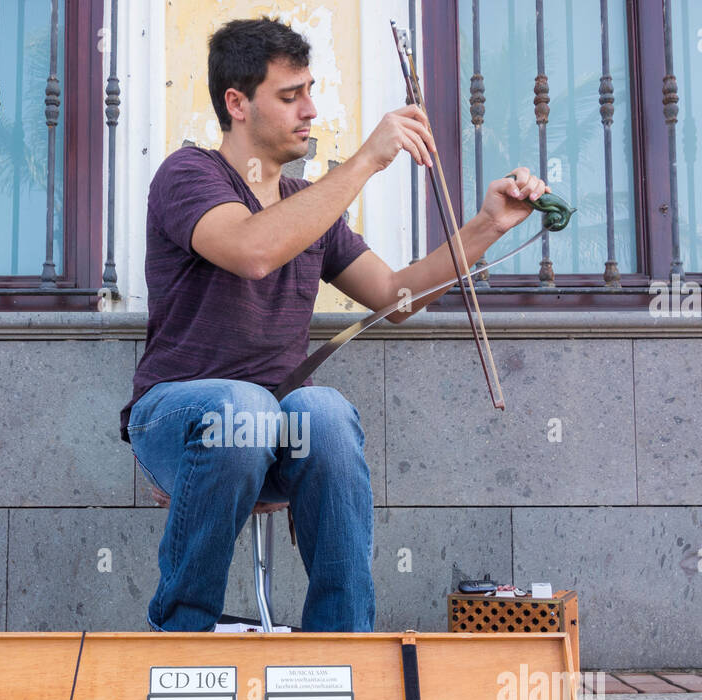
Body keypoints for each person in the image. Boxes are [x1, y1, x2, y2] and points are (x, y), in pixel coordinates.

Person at [119, 15, 548, 633]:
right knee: (245, 408)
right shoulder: (188, 175)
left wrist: (487, 225)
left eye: (310, 91)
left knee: (322, 411)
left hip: (267, 428)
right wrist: (366, 161)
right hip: (176, 421)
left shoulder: (308, 204)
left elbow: (395, 298)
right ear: (236, 103)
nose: (310, 110)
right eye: (290, 96)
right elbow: (252, 250)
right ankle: (181, 634)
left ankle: (343, 645)